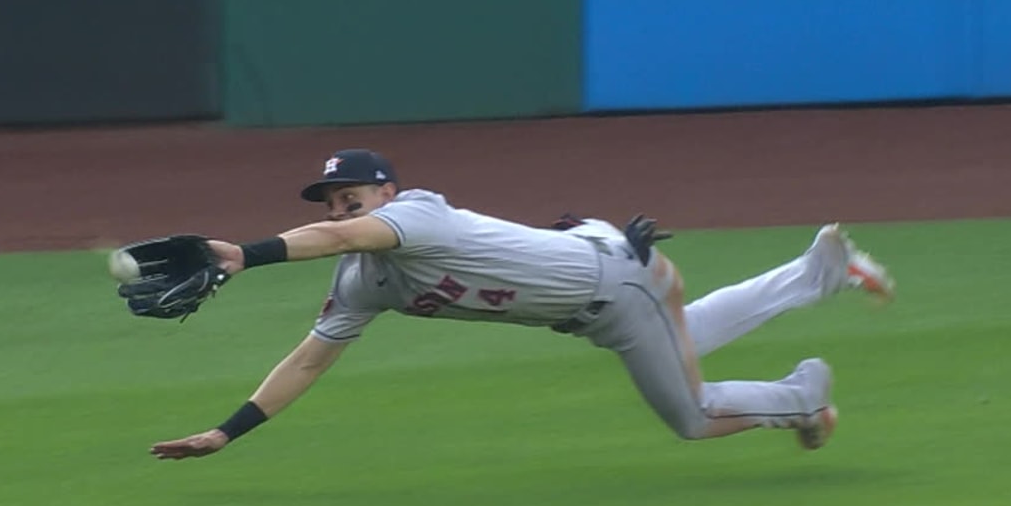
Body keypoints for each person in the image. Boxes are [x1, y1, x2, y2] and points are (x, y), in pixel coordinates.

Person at [149, 148, 894, 460]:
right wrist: (226, 432)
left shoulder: (416, 213)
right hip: (607, 268)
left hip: (612, 288)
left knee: (692, 416)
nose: (342, 207)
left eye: (352, 197)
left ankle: (803, 398)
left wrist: (248, 253)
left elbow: (330, 236)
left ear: (385, 192)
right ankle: (820, 269)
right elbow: (309, 360)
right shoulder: (363, 281)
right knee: (688, 332)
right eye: (332, 199)